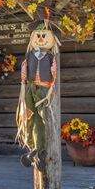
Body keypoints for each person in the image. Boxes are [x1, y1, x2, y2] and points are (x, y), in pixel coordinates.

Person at [16, 22, 59, 171]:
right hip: (30, 87)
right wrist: (23, 82)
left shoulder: (50, 56)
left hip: (43, 89)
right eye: (38, 36)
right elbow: (24, 69)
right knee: (29, 115)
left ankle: (40, 149)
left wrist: (52, 85)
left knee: (41, 117)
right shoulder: (29, 55)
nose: (41, 39)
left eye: (43, 36)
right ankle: (31, 148)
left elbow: (54, 73)